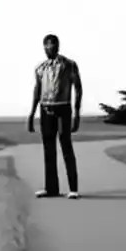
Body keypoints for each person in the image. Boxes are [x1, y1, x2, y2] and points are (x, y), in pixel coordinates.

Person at [28, 33, 83, 199]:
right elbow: (37, 91)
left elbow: (78, 89)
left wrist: (77, 113)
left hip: (63, 108)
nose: (50, 49)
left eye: (53, 46)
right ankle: (51, 188)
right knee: (48, 149)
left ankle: (73, 188)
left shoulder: (69, 65)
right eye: (47, 46)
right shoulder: (40, 68)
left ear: (58, 46)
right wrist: (31, 114)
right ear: (44, 47)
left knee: (66, 145)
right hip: (46, 110)